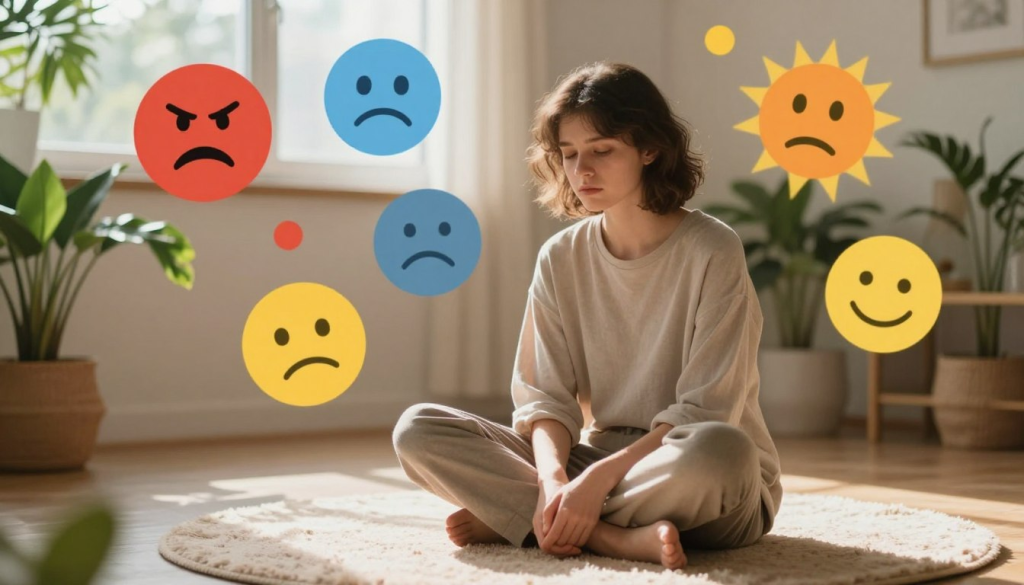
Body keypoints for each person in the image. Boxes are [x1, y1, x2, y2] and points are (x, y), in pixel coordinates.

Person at [392, 62, 783, 570]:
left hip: (698, 475)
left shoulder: (714, 249)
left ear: (649, 149)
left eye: (602, 150)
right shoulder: (559, 257)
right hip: (593, 463)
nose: (582, 171)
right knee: (417, 429)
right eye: (570, 153)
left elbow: (706, 411)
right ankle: (604, 534)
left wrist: (593, 483)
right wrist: (555, 479)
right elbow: (545, 399)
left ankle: (527, 518)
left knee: (722, 450)